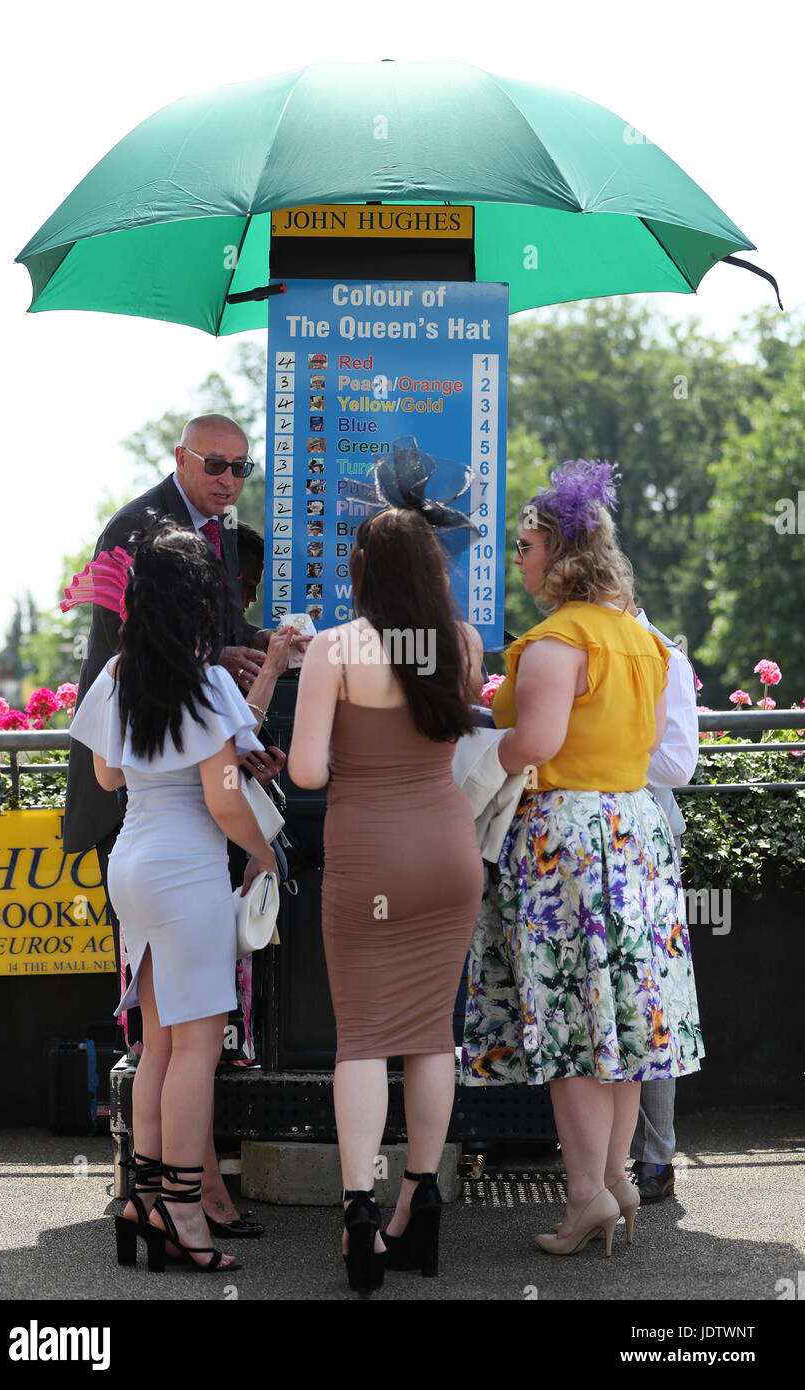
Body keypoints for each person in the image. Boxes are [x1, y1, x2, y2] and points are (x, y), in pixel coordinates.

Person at [462, 460, 703, 1257]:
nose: (519, 557)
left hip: (567, 836)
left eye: (527, 544)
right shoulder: (643, 640)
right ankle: (616, 1179)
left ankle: (582, 1198)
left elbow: (535, 745)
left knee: (569, 1028)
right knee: (624, 1020)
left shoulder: (556, 639)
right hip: (635, 831)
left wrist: (473, 744)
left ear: (562, 554)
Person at [63, 415, 276, 1234]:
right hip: (189, 866)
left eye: (241, 468)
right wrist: (264, 859)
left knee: (155, 1044)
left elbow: (110, 769)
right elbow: (225, 798)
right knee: (196, 1050)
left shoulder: (121, 674)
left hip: (134, 857)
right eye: (215, 465)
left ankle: (144, 1199)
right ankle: (184, 1215)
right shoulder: (209, 681)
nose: (229, 479)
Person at [288, 505, 484, 1295]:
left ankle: (360, 1213)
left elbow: (305, 772)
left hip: (369, 856)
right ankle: (421, 1203)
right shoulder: (464, 644)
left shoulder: (336, 649)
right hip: (448, 851)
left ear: (363, 569)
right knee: (432, 1035)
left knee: (364, 1037)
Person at [626, 598, 699, 1205]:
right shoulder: (584, 648)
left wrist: (604, 748)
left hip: (644, 838)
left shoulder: (663, 658)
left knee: (648, 996)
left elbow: (679, 764)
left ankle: (655, 1157)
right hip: (591, 837)